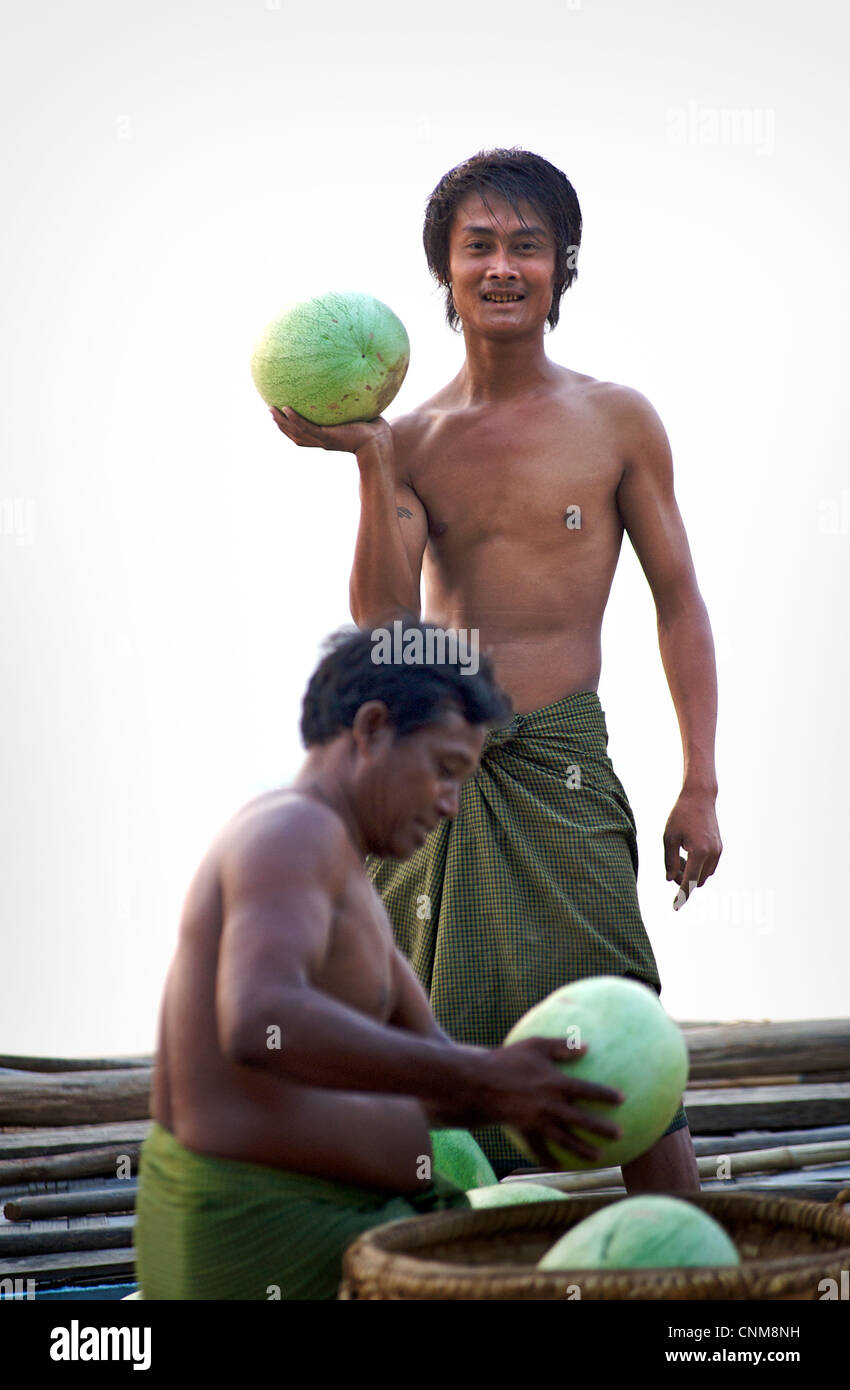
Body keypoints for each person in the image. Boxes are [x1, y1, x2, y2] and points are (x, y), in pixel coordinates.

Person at [269, 148, 720, 1187]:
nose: (504, 267)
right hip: (438, 775)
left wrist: (697, 782)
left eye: (528, 246)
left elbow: (678, 600)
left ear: (563, 268)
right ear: (446, 271)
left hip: (562, 764)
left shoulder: (616, 419)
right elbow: (385, 621)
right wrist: (374, 461)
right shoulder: (415, 435)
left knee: (622, 1038)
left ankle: (683, 1279)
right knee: (412, 1047)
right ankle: (421, 1268)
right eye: (480, 247)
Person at [134, 624, 625, 1300]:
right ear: (370, 729)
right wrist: (484, 1074)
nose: (452, 804)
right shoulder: (290, 831)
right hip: (264, 1236)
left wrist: (530, 1098)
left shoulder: (349, 878)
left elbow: (433, 1073)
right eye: (445, 769)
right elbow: (260, 1018)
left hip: (361, 1226)